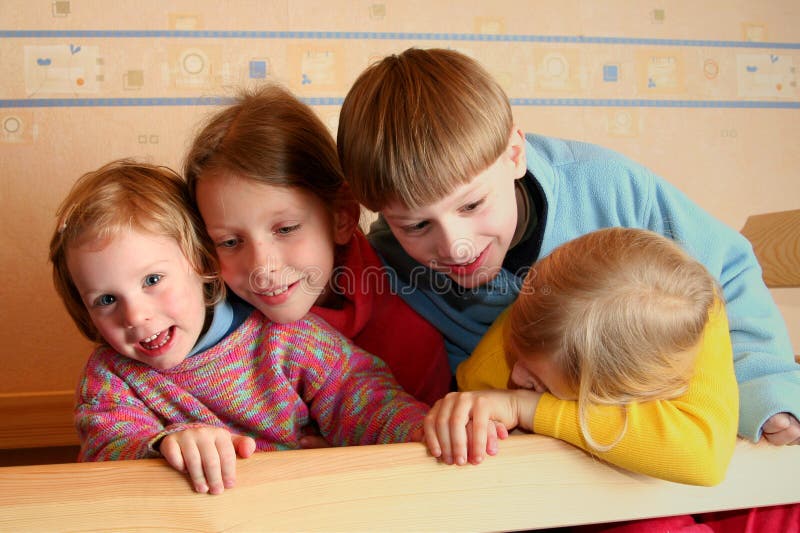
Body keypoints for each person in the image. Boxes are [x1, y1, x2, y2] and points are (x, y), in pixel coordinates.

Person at [336, 47, 799, 449]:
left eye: (473, 204)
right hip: (526, 452)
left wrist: (765, 384)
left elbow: (729, 271)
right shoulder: (384, 260)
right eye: (416, 225)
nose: (455, 246)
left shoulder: (610, 189)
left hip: (648, 421)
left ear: (514, 154)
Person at [49, 160, 430, 495]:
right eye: (106, 300)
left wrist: (418, 430)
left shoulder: (284, 338)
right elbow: (106, 447)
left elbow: (360, 397)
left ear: (201, 263)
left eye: (152, 281)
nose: (134, 316)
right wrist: (164, 445)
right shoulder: (111, 376)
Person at [182, 84, 451, 407]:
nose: (261, 267)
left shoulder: (412, 331)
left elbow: (423, 445)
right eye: (230, 241)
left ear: (342, 216)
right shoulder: (202, 330)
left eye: (285, 229)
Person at [424, 227, 739, 486]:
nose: (516, 378)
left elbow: (703, 458)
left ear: (611, 392)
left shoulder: (692, 312)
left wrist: (526, 406)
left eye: (537, 381)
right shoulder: (501, 355)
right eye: (517, 352)